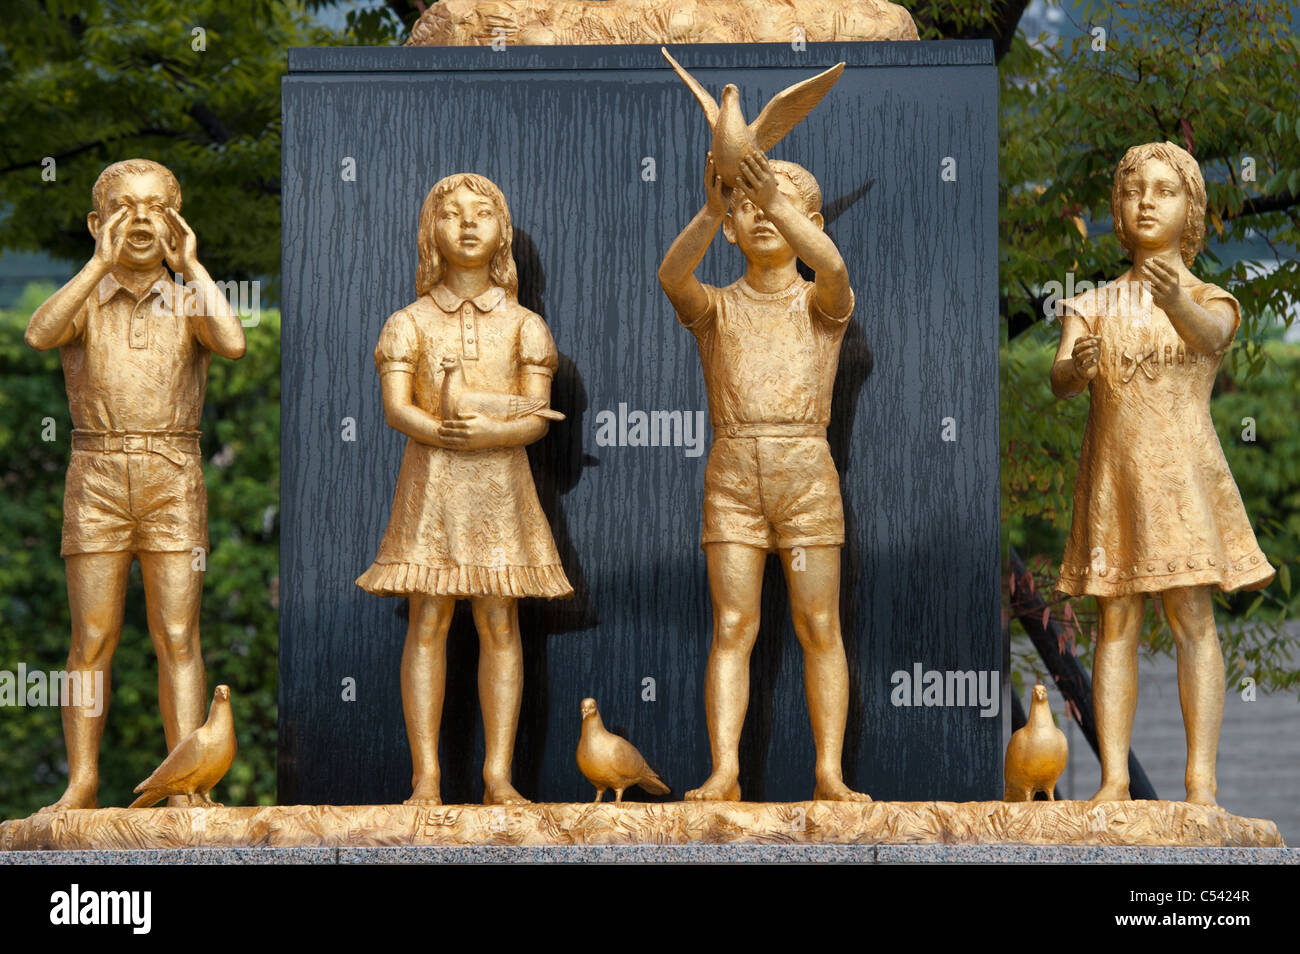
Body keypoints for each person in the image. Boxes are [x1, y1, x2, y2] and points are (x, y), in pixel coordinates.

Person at [1051, 141, 1275, 805]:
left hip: (1182, 478)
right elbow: (1062, 380)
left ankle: (1200, 781)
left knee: (1192, 618)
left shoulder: (1212, 297)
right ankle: (1114, 779)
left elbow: (1210, 337)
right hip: (1115, 478)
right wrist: (1077, 366)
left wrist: (1175, 297)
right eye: (1132, 190)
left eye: (1163, 189)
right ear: (1118, 210)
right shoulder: (1089, 304)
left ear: (1191, 207)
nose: (1145, 201)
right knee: (1115, 621)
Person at [24, 158, 246, 811]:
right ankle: (82, 781)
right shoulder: (84, 298)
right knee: (91, 639)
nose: (142, 219)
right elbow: (40, 333)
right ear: (98, 222)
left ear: (177, 222)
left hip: (172, 475)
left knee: (178, 635)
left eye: (157, 207)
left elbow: (231, 342)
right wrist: (97, 263)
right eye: (125, 206)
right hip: (96, 475)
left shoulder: (187, 298)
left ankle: (185, 788)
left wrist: (192, 266)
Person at [658, 149, 867, 801]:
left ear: (810, 222)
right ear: (730, 226)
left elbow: (831, 264)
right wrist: (716, 202)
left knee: (819, 626)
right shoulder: (716, 308)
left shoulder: (822, 303)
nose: (764, 216)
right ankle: (725, 771)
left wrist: (764, 193)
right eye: (748, 208)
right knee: (731, 626)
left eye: (780, 205)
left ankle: (828, 772)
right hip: (733, 474)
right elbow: (671, 274)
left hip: (804, 470)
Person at [357, 173, 571, 807]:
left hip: (501, 484)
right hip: (434, 482)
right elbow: (397, 409)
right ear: (432, 232)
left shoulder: (526, 325)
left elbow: (538, 415)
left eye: (483, 214)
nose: (469, 224)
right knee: (428, 617)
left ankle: (498, 775)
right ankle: (426, 777)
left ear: (502, 232)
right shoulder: (409, 323)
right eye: (452, 215)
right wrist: (447, 431)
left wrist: (487, 436)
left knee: (501, 618)